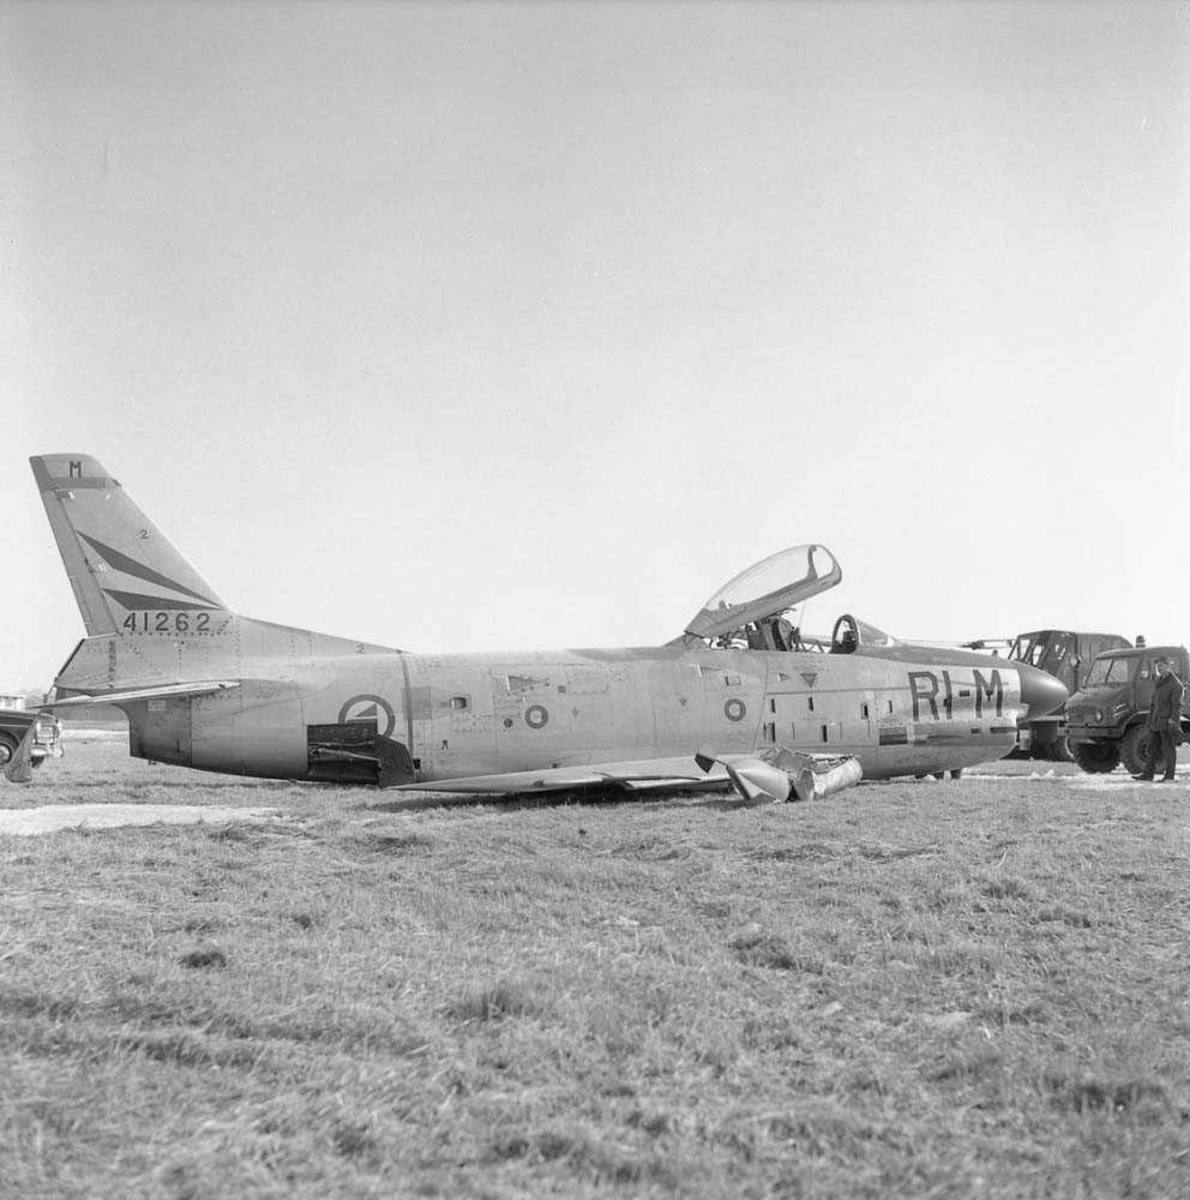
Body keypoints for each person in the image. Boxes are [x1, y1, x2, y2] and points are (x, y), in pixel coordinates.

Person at [1134, 656, 1184, 782]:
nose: (1159, 669)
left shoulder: (1175, 684)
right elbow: (1153, 703)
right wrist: (1150, 720)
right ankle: (1147, 775)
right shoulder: (1159, 682)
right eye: (1157, 666)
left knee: (1168, 749)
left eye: (1161, 666)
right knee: (1152, 749)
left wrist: (1173, 720)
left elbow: (1177, 706)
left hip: (1167, 722)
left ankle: (1169, 776)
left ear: (1168, 666)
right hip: (1156, 721)